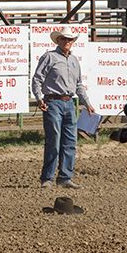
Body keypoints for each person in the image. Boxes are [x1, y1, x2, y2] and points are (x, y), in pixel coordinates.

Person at [31, 30, 94, 189]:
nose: (67, 41)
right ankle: (48, 178)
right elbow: (37, 79)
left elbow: (79, 85)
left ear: (73, 41)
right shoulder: (49, 57)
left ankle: (65, 177)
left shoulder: (74, 60)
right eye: (64, 38)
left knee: (70, 141)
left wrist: (87, 103)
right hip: (52, 102)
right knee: (54, 140)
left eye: (70, 39)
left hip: (69, 103)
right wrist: (39, 98)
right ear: (58, 40)